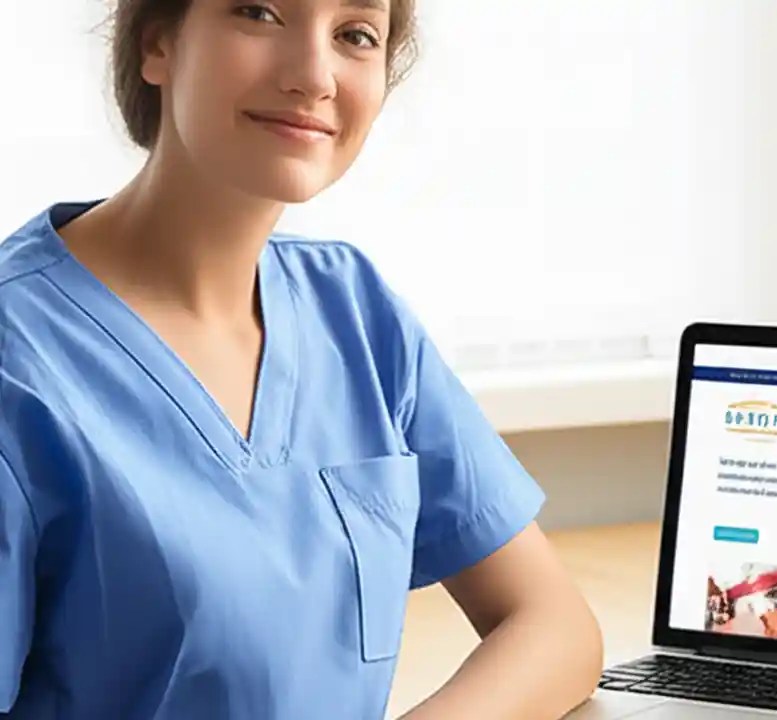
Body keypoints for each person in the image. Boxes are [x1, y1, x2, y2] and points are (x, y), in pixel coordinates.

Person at [0, 1, 603, 718]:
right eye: (258, 12)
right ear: (157, 44)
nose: (315, 75)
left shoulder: (352, 310)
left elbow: (555, 626)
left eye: (355, 34)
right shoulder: (20, 362)